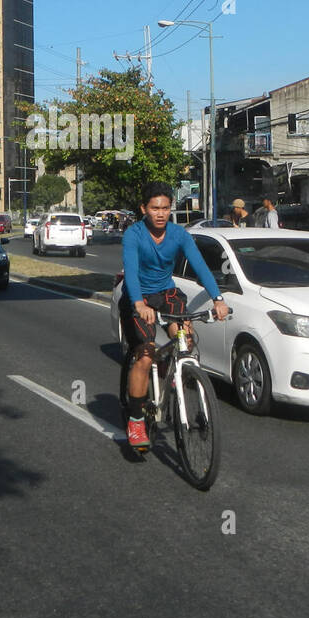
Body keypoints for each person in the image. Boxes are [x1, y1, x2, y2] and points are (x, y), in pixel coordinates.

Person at [120, 182, 230, 451]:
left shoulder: (179, 234)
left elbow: (200, 266)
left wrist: (217, 298)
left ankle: (175, 371)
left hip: (166, 293)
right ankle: (136, 420)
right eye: (155, 208)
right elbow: (131, 273)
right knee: (145, 354)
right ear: (144, 209)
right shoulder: (134, 234)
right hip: (138, 296)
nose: (160, 213)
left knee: (186, 342)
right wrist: (138, 304)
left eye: (166, 208)